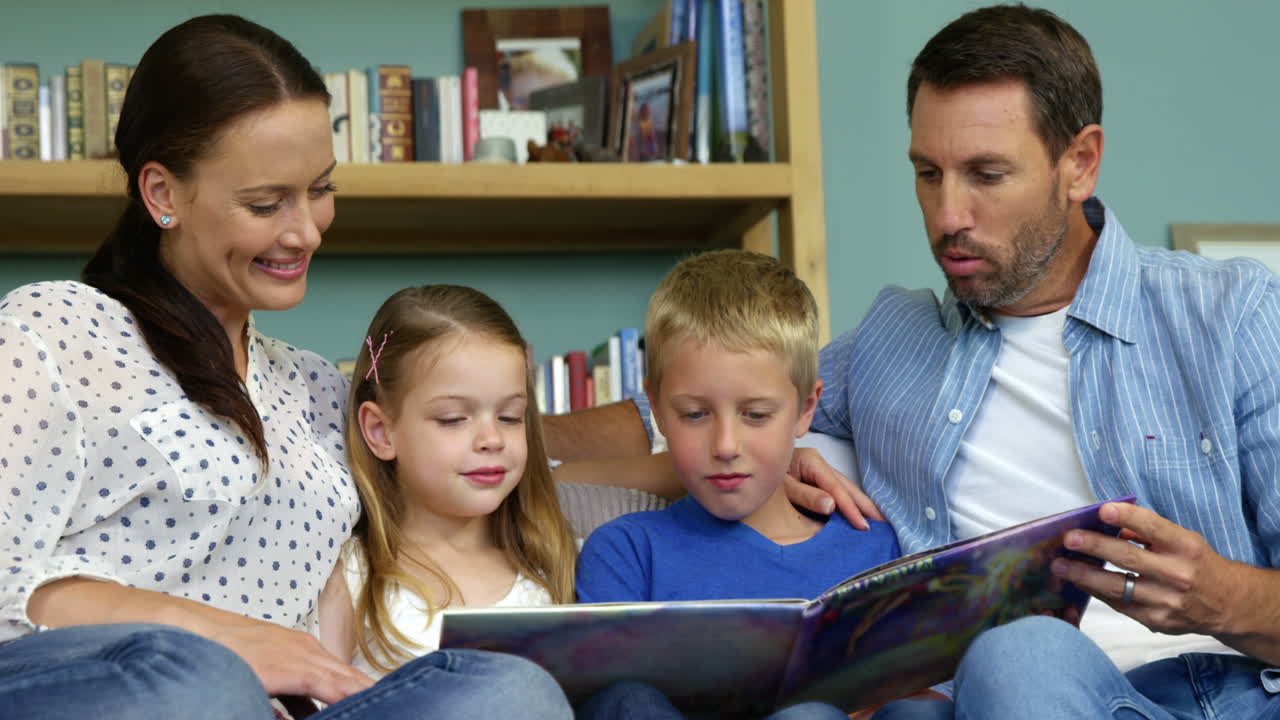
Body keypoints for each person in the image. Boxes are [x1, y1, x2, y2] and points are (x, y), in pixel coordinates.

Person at [0, 15, 571, 719]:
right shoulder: (57, 330)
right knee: (204, 684)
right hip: (128, 691)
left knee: (509, 690)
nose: (305, 232)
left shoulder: (314, 388)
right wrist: (226, 640)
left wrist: (668, 438)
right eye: (266, 203)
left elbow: (481, 440)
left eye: (320, 190)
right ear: (163, 195)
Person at [806, 5, 1280, 719]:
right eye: (928, 173)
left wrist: (1221, 595)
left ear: (1079, 163)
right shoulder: (889, 341)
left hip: (1214, 697)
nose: (947, 215)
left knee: (1017, 654)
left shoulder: (1232, 316)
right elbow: (674, 418)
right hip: (982, 698)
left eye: (986, 174)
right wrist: (771, 450)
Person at [574, 249, 900, 720]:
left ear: (806, 409)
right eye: (695, 414)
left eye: (756, 415)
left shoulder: (877, 553)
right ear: (657, 409)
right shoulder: (627, 553)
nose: (726, 445)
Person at [317, 285, 577, 679]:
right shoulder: (353, 577)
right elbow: (324, 702)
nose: (492, 439)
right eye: (453, 419)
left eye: (509, 417)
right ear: (381, 432)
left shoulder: (553, 564)